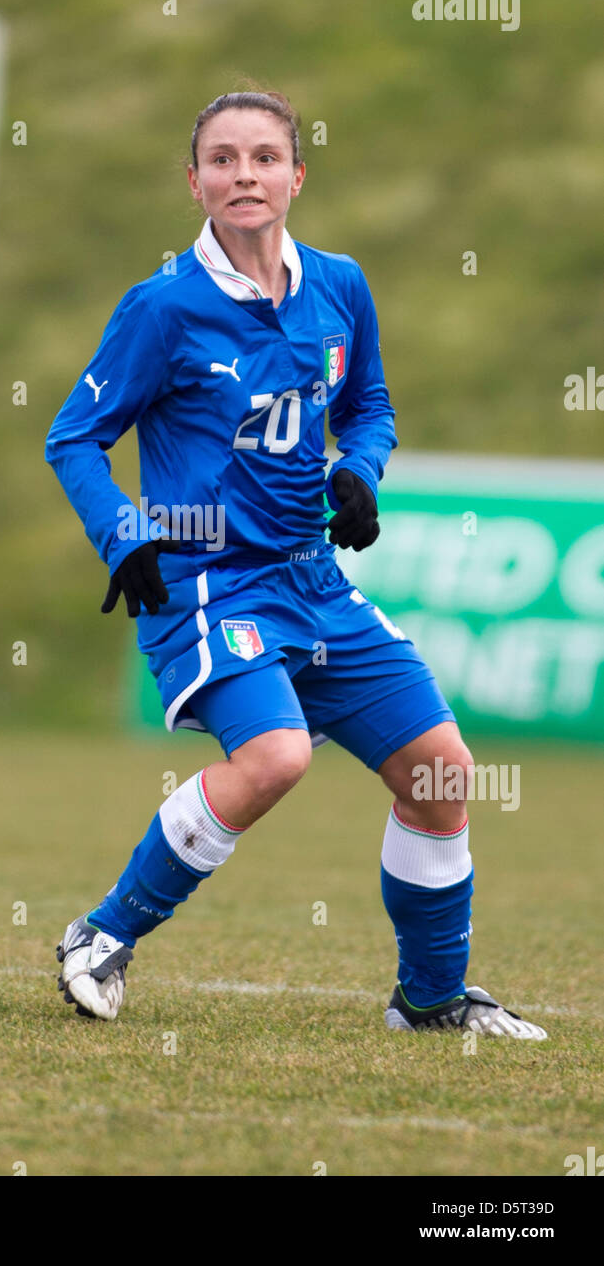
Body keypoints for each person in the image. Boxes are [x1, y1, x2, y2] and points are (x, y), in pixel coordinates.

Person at [45, 89, 545, 1040]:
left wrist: (357, 471)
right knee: (273, 759)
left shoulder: (339, 284)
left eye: (264, 157)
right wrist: (124, 533)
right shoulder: (161, 308)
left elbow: (370, 406)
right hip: (204, 580)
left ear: (295, 176)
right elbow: (73, 439)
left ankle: (431, 1002)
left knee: (441, 773)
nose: (245, 175)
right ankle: (100, 937)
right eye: (223, 160)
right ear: (192, 181)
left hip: (311, 579)